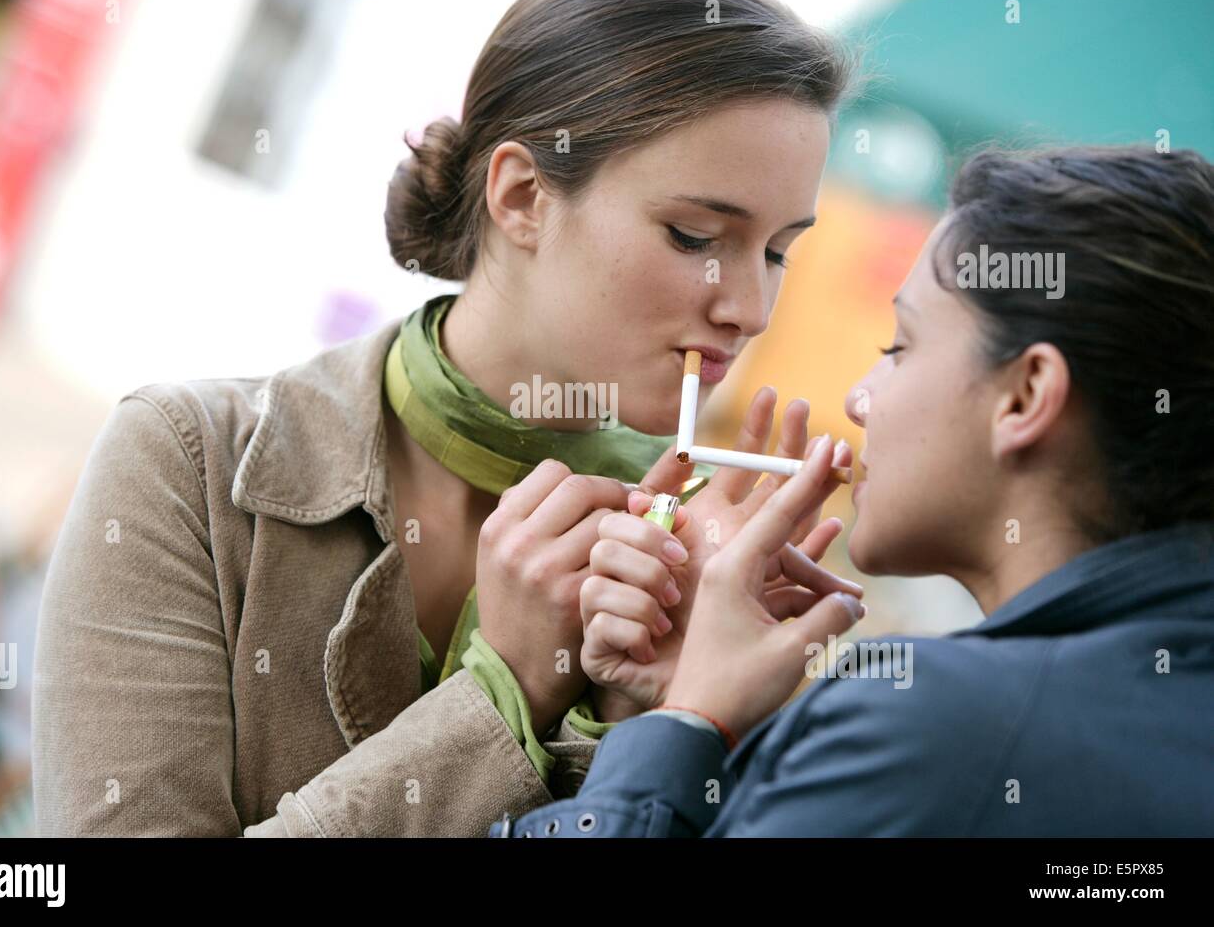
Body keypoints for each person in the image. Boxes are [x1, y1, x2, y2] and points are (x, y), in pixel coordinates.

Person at [31, 0, 863, 836]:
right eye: (696, 236)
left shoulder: (704, 574)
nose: (750, 309)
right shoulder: (188, 464)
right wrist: (506, 686)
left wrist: (652, 725)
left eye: (776, 252)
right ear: (521, 197)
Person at [498, 145, 1214, 837]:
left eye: (898, 348)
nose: (859, 399)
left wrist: (689, 723)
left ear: (1025, 396)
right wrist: (673, 704)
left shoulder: (930, 724)